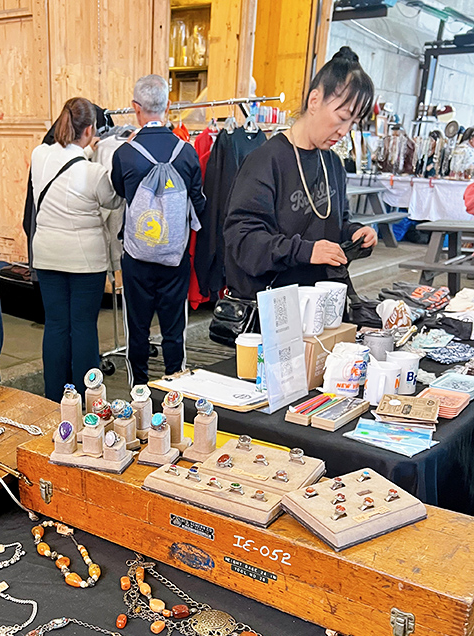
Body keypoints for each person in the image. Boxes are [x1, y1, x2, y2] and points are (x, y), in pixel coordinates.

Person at [223, 47, 377, 302]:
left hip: (321, 302)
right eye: (342, 117)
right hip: (274, 308)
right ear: (314, 100)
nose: (344, 130)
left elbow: (334, 224)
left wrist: (354, 233)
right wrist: (305, 251)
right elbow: (243, 240)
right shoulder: (266, 161)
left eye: (353, 123)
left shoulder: (332, 163)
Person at [111, 74, 205, 386]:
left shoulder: (124, 153)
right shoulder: (187, 151)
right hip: (175, 258)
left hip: (137, 257)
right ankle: (175, 388)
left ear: (135, 107)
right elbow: (199, 202)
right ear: (167, 107)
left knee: (136, 328)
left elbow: (120, 192)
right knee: (174, 328)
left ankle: (138, 390)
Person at [30, 97, 121, 402]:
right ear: (91, 130)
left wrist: (86, 151)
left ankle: (55, 397)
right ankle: (88, 396)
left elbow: (64, 165)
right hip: (86, 261)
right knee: (83, 327)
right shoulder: (93, 173)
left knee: (56, 325)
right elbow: (113, 200)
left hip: (46, 255)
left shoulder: (39, 155)